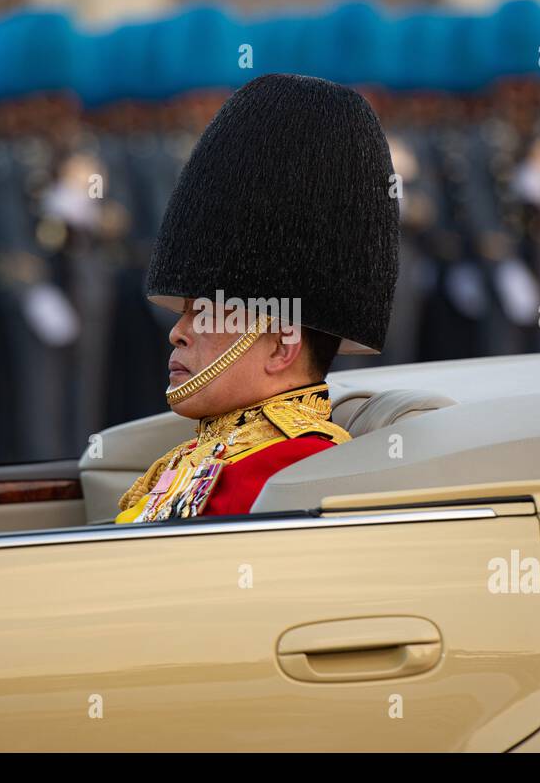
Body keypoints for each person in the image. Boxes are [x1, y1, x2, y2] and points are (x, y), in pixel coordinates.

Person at [115, 73, 398, 523]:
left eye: (204, 314)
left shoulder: (286, 470)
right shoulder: (203, 453)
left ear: (281, 345)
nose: (178, 333)